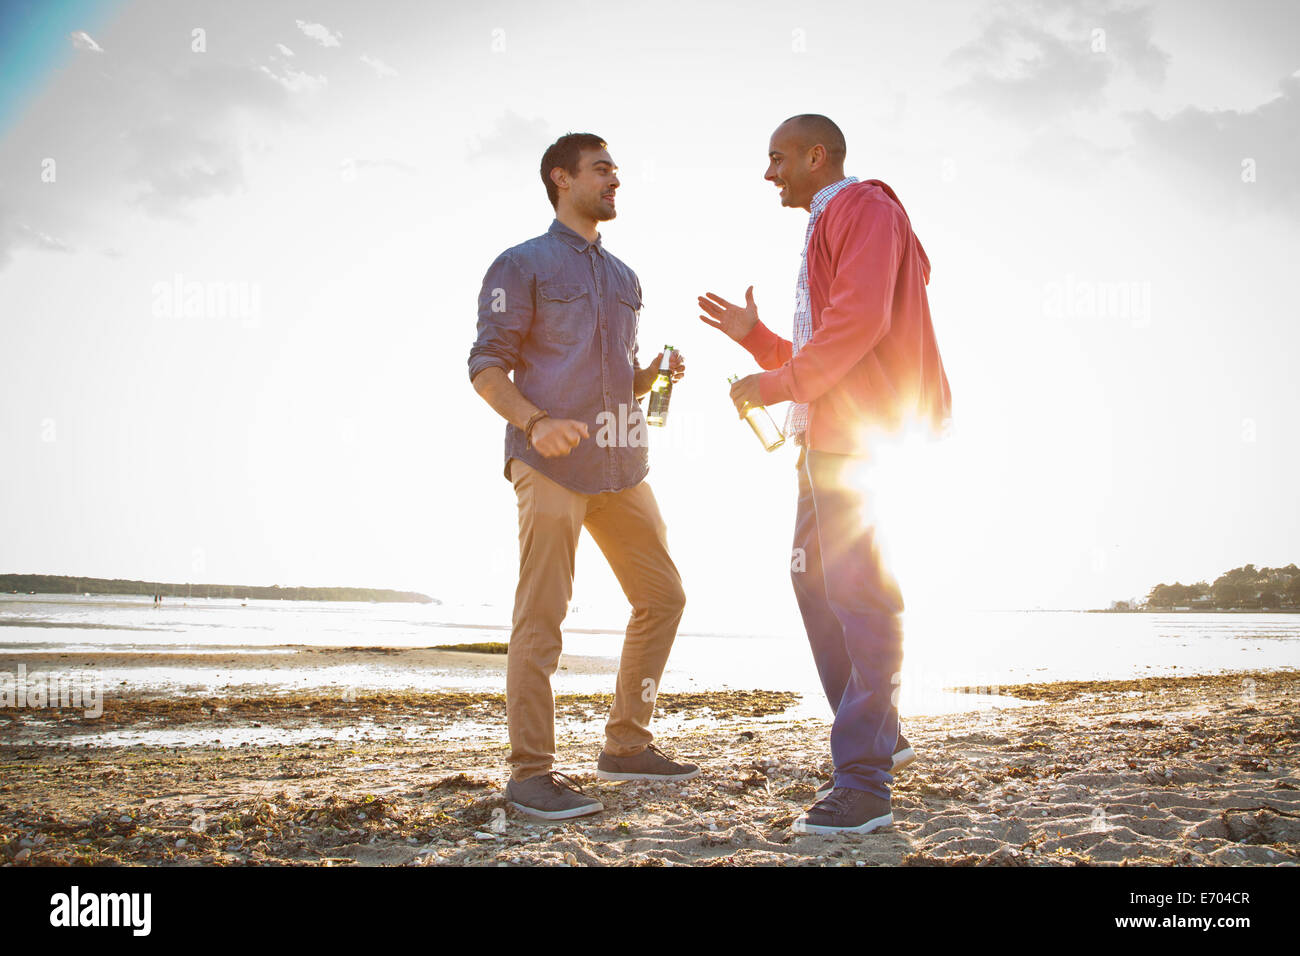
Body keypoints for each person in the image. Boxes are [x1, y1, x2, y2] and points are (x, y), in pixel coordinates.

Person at [698, 114, 951, 835]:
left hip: (863, 437)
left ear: (817, 155)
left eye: (777, 158)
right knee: (813, 578)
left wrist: (772, 385)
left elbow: (861, 323)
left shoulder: (861, 206)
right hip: (829, 435)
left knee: (859, 592)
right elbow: (822, 347)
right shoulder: (824, 222)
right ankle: (881, 734)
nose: (768, 173)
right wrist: (755, 339)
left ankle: (865, 783)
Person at [469, 132, 697, 821]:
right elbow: (486, 366)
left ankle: (627, 744)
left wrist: (651, 376)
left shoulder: (625, 278)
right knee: (542, 617)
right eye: (602, 170)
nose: (614, 181)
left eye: (617, 172)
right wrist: (536, 423)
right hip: (549, 464)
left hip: (622, 464)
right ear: (560, 178)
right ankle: (530, 775)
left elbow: (613, 374)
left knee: (664, 597)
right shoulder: (520, 264)